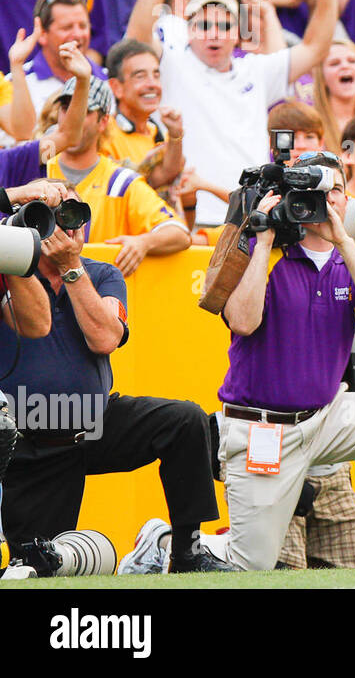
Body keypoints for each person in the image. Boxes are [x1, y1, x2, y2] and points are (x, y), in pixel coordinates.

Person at [212, 151, 355, 571]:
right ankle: (165, 542)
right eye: (315, 191)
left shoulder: (348, 257)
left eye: (335, 190)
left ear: (346, 200)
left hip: (326, 415)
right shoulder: (266, 250)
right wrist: (264, 238)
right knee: (252, 566)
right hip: (262, 425)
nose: (326, 198)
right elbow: (244, 322)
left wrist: (343, 239)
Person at [0, 184, 231, 573]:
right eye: (53, 215)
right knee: (35, 565)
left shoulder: (100, 273)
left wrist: (71, 268)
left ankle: (187, 551)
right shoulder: (9, 275)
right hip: (30, 441)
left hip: (95, 423)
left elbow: (106, 337)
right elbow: (33, 324)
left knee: (186, 421)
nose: (66, 226)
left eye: (74, 214)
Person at [138, 0, 338, 234]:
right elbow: (135, 41)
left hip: (252, 219)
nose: (213, 34)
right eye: (203, 25)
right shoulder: (171, 64)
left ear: (238, 33)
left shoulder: (255, 70)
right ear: (188, 31)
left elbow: (315, 48)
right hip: (189, 219)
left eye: (223, 25)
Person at [44, 76, 191, 277]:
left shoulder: (120, 182)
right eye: (66, 108)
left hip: (94, 299)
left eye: (84, 111)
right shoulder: (38, 168)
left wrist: (144, 242)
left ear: (104, 121)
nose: (72, 117)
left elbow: (179, 232)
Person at [103, 40, 186, 192]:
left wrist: (175, 134)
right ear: (116, 87)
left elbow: (165, 177)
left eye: (156, 75)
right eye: (140, 76)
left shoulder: (161, 136)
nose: (152, 84)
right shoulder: (103, 134)